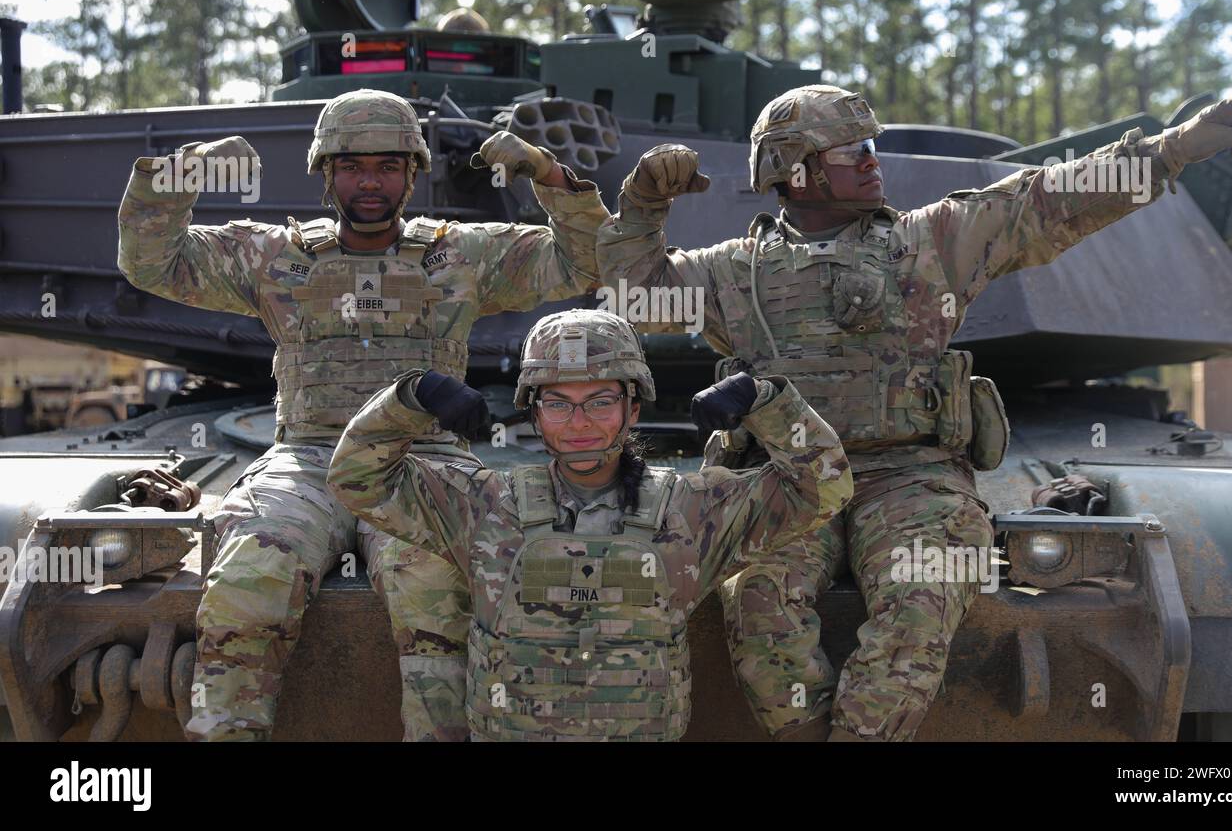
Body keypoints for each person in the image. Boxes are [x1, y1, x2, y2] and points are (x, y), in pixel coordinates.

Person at [596, 84, 1232, 740]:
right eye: (850, 149)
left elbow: (1054, 199)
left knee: (919, 610)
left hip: (913, 475)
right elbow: (636, 299)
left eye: (870, 146)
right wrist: (644, 201)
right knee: (759, 607)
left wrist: (1175, 146)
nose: (870, 160)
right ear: (795, 171)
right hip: (786, 478)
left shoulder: (935, 240)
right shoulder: (729, 275)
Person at [118, 88, 610, 740]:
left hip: (422, 461)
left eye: (387, 165)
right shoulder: (275, 258)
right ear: (327, 174)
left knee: (441, 590)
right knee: (249, 577)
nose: (369, 182)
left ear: (412, 173)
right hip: (306, 464)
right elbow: (151, 262)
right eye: (352, 166)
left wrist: (549, 175)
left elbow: (588, 259)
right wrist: (178, 175)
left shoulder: (463, 256)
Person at [326, 309, 851, 740]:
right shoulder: (484, 504)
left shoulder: (693, 509)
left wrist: (769, 404)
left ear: (633, 408)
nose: (579, 423)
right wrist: (409, 400)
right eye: (558, 403)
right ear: (533, 413)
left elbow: (823, 489)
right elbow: (356, 479)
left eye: (600, 400)